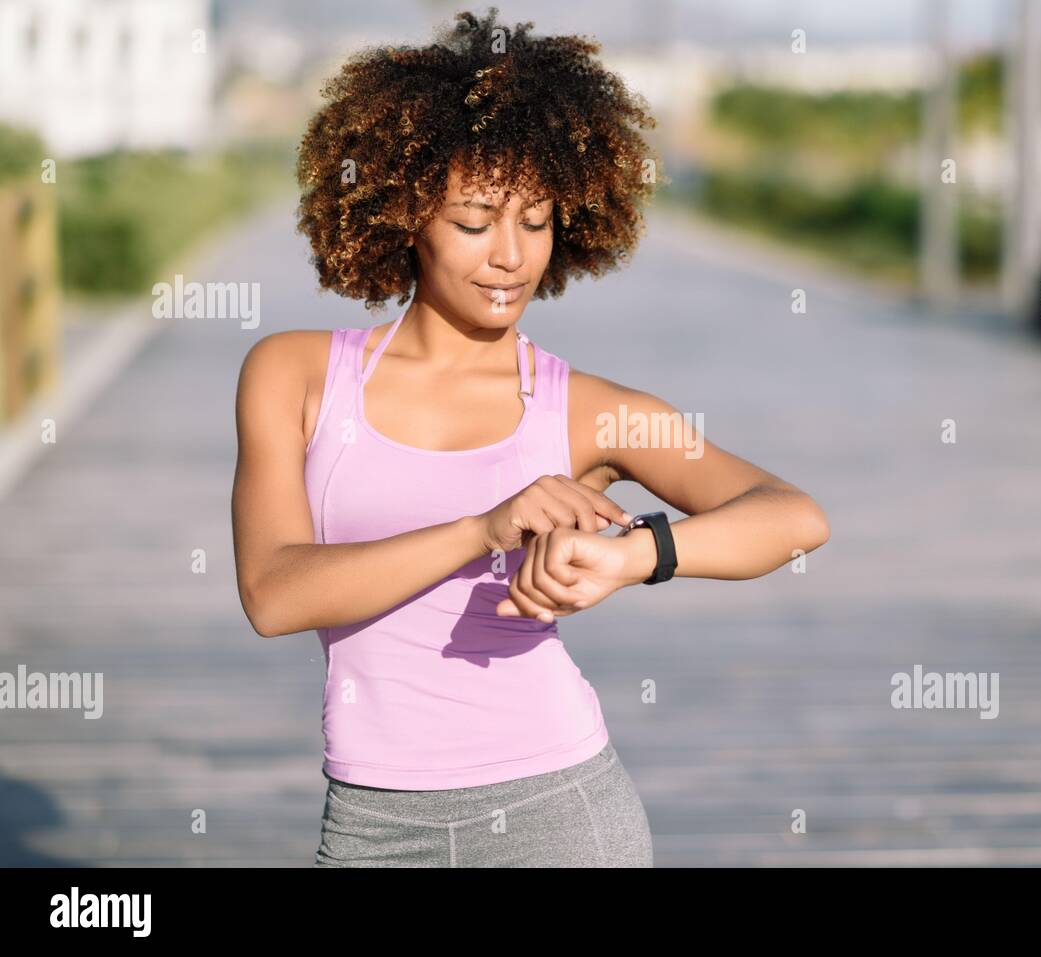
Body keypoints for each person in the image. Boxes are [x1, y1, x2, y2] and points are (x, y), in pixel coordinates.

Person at [231, 8, 830, 868]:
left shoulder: (581, 409)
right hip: (368, 824)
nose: (510, 255)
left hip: (561, 815)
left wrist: (633, 556)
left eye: (537, 220)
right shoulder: (294, 376)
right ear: (404, 214)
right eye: (475, 222)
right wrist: (483, 528)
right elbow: (273, 592)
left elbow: (793, 515)